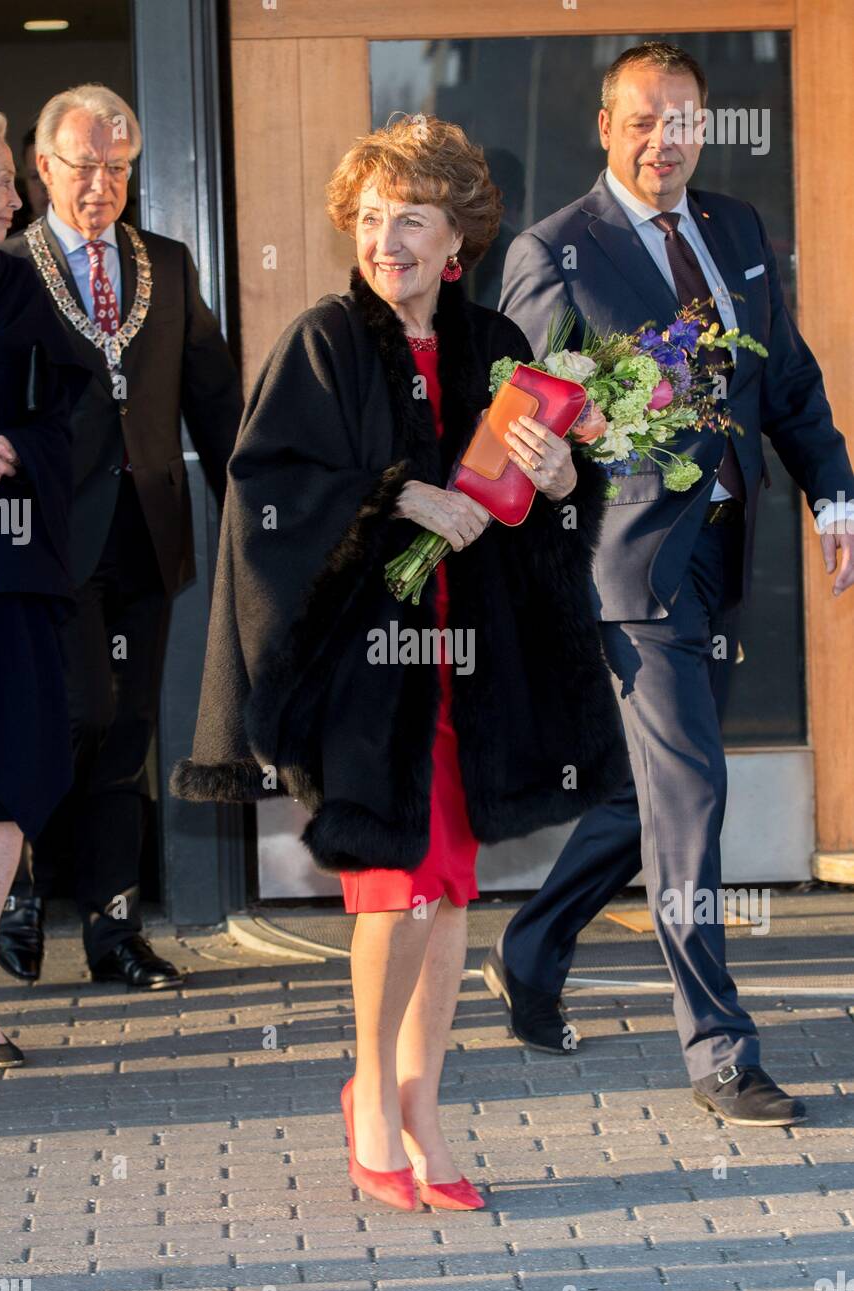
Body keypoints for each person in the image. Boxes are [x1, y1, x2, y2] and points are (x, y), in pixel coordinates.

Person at [172, 115, 628, 1210]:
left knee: (449, 896)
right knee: (391, 893)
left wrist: (564, 482)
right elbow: (263, 498)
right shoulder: (323, 341)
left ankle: (423, 1105)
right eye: (371, 220)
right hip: (366, 675)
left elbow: (546, 523)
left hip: (467, 677)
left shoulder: (494, 352)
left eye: (409, 220)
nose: (387, 241)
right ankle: (370, 1095)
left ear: (456, 236)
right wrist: (386, 501)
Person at [493, 41, 854, 1126]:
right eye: (643, 121)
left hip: (720, 552)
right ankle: (717, 1050)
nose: (665, 141)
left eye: (683, 120)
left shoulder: (735, 230)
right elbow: (520, 411)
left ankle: (529, 942)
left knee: (642, 790)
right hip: (620, 564)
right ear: (603, 126)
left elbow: (781, 374)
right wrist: (568, 439)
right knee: (693, 794)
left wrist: (832, 494)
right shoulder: (554, 250)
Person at [0, 84, 244, 989]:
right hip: (41, 541)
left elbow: (215, 400)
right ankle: (15, 894)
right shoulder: (9, 267)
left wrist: (257, 515)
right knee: (71, 715)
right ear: (42, 166)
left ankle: (112, 928)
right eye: (83, 166)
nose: (101, 184)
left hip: (144, 534)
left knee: (125, 730)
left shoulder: (167, 265)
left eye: (119, 167)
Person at [0, 106, 86, 1066]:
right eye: (0, 181)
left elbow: (65, 415)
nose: (16, 197)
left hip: (7, 576)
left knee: (14, 777)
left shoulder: (17, 286)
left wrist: (14, 446)